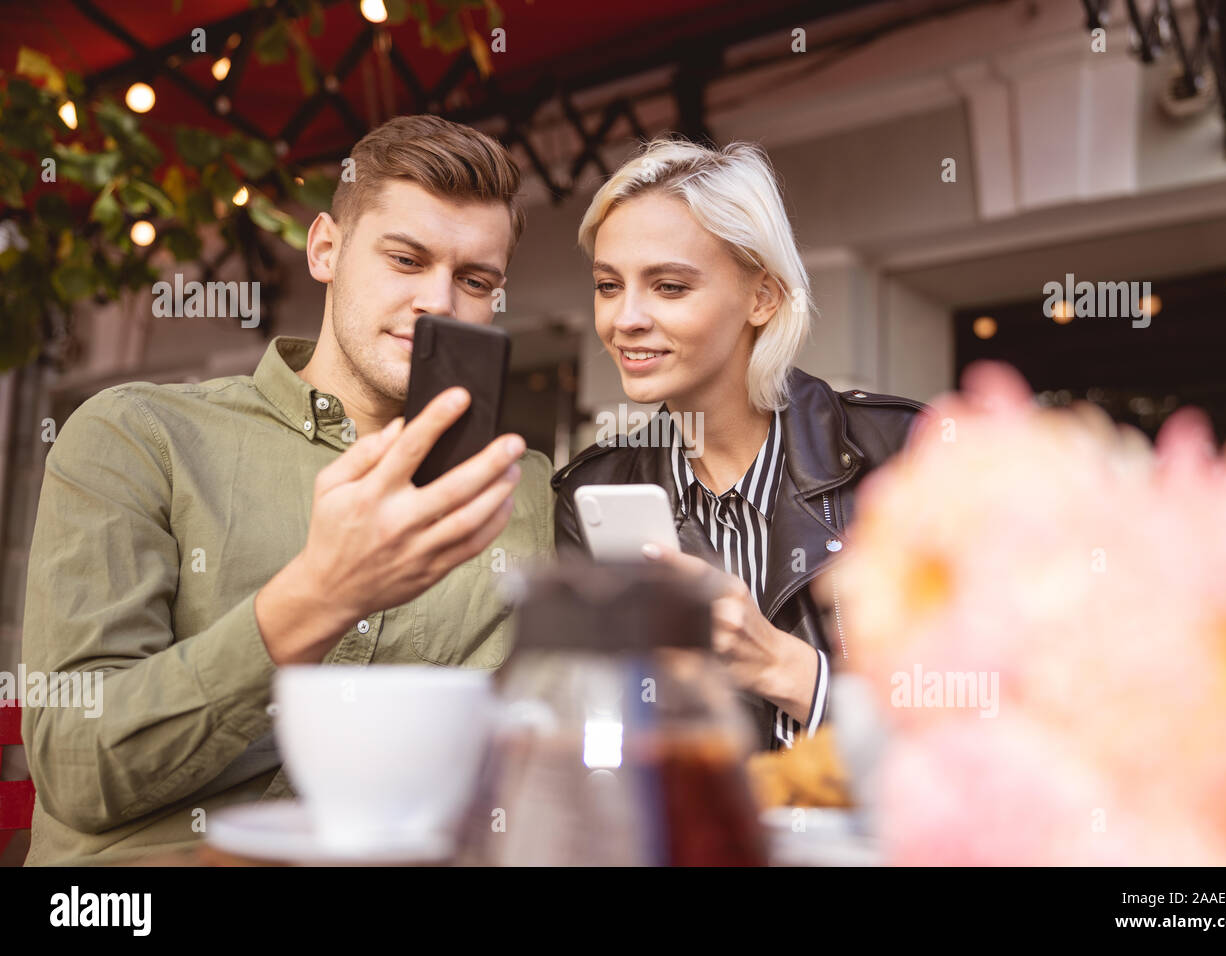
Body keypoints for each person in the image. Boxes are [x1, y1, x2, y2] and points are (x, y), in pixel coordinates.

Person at [20, 115, 552, 865]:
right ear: (326, 249)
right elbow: (76, 767)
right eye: (406, 258)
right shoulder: (139, 433)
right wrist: (319, 598)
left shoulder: (519, 484)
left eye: (475, 280)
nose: (439, 301)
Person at [552, 137, 929, 751]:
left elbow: (987, 722)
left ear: (763, 297)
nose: (625, 319)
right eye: (608, 285)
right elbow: (594, 736)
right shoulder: (592, 491)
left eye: (669, 286)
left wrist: (785, 668)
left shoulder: (906, 456)